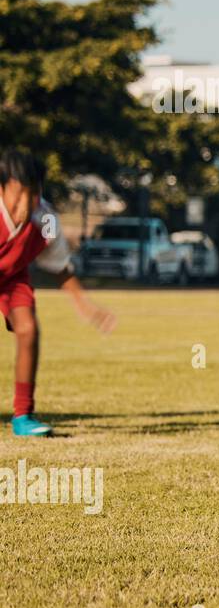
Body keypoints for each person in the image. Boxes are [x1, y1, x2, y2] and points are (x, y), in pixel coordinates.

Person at [0, 149, 116, 436]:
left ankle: (23, 416)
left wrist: (84, 304)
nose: (25, 203)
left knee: (29, 330)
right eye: (18, 193)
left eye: (33, 193)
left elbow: (60, 266)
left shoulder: (46, 218)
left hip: (12, 279)